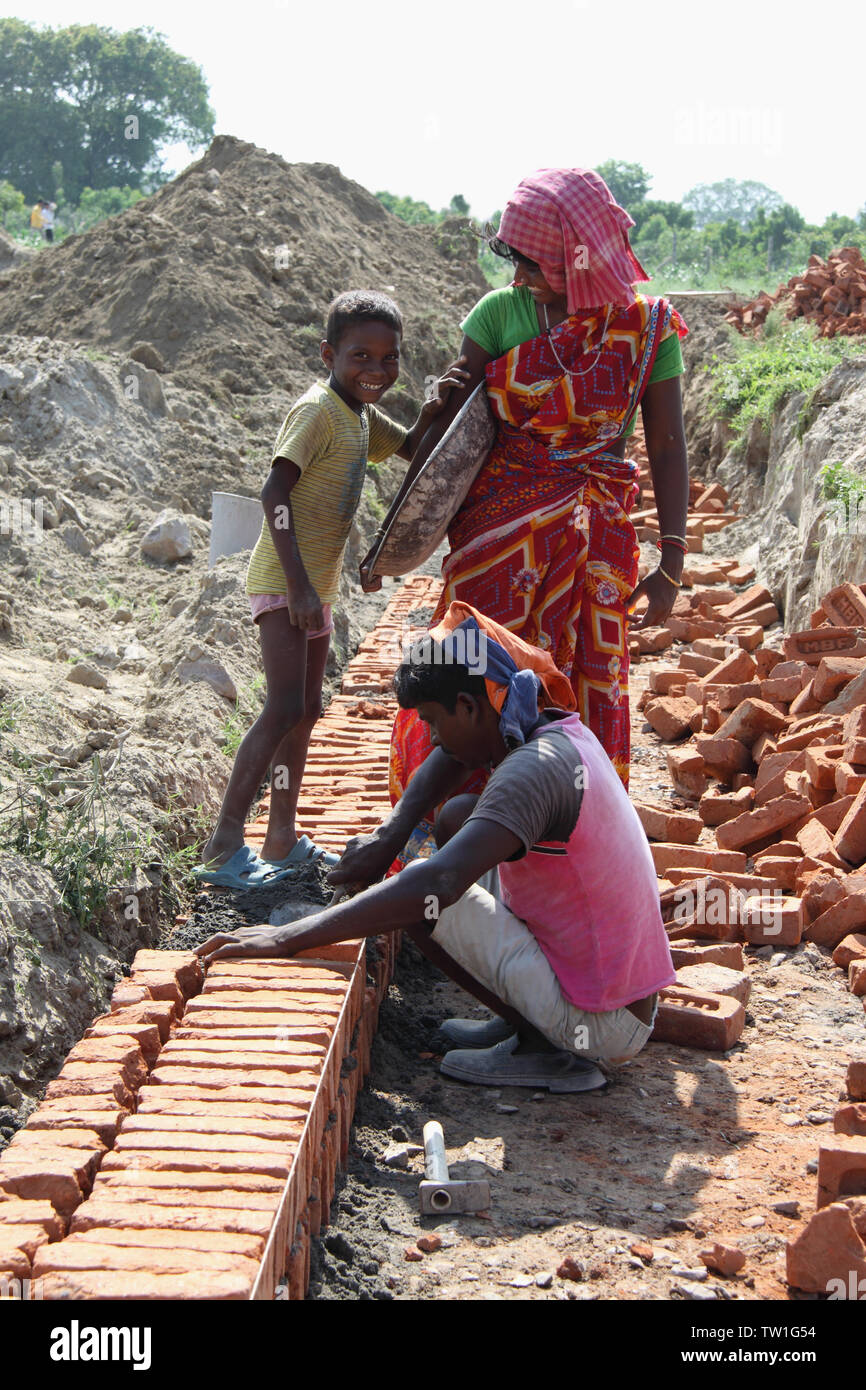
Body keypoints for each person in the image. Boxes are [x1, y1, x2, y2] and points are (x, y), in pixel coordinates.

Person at [197, 605, 675, 1090]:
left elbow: (436, 883)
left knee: (423, 899)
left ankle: (549, 1049)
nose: (431, 738)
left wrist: (287, 938)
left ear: (469, 706)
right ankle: (525, 1021)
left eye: (431, 721)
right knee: (458, 817)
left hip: (606, 1023)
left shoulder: (531, 773)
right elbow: (453, 757)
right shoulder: (547, 728)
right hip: (619, 994)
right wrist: (391, 834)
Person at [360, 169, 689, 860]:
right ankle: (438, 844)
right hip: (494, 532)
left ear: (580, 256)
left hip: (595, 534)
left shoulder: (649, 327)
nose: (520, 278)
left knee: (582, 683)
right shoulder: (496, 316)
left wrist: (673, 561)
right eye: (512, 260)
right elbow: (451, 439)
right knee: (468, 676)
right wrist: (436, 406)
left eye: (533, 263)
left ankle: (564, 846)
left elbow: (664, 443)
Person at [194, 290, 466, 890]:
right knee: (284, 708)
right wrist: (298, 587)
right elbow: (274, 494)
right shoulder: (318, 411)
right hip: (284, 584)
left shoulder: (361, 416)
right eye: (360, 357)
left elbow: (415, 450)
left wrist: (437, 408)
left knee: (308, 712)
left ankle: (282, 836)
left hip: (314, 590)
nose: (376, 371)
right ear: (328, 354)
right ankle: (223, 844)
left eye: (388, 358)